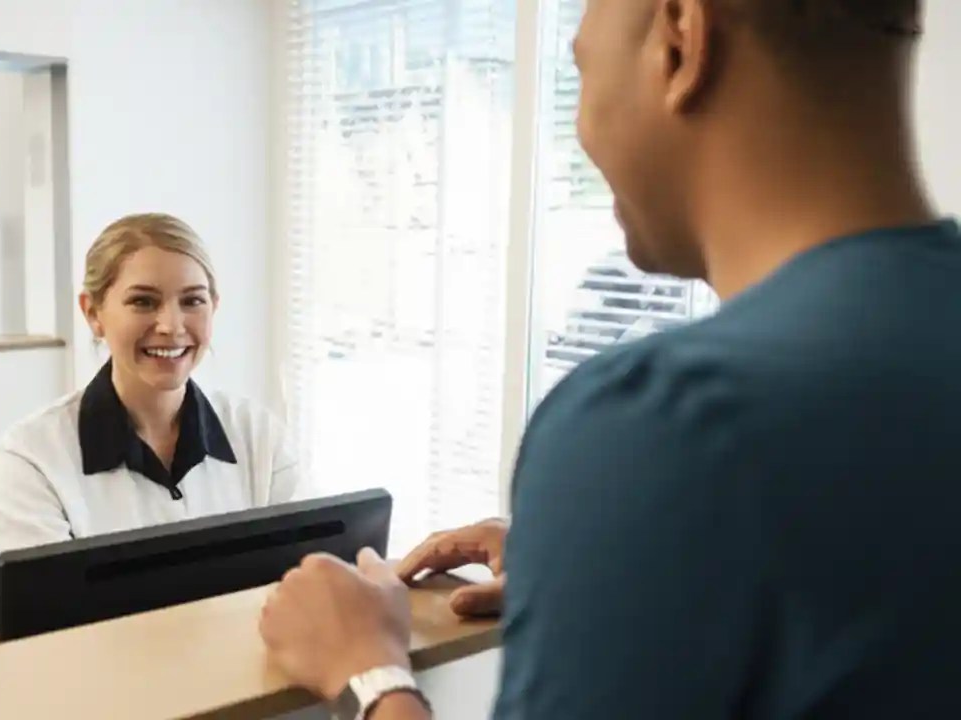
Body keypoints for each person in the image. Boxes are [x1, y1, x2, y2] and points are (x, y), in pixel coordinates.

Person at [259, 0, 961, 718]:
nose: (579, 123)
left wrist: (367, 670)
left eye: (582, 67)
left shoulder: (662, 422)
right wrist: (615, 558)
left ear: (680, 42)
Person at [0, 213, 303, 552]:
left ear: (213, 307)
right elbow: (48, 603)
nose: (171, 325)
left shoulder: (259, 436)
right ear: (93, 313)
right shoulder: (33, 457)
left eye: (192, 301)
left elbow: (308, 578)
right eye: (143, 301)